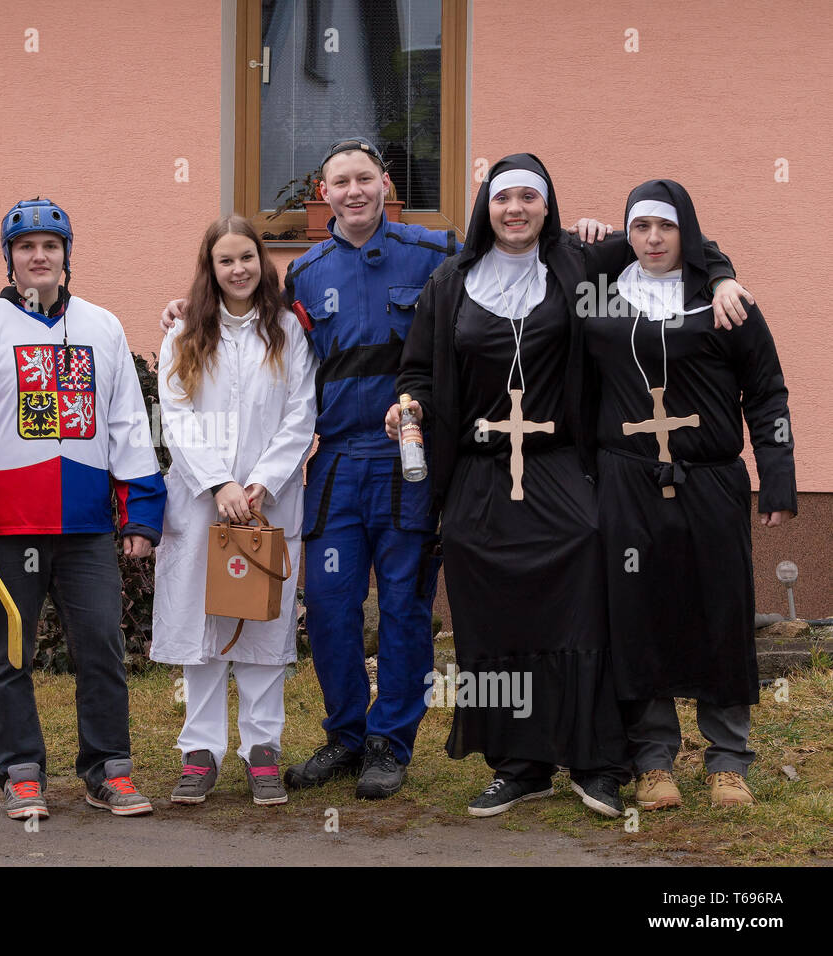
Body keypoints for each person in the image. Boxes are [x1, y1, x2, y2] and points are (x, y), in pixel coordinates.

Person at [390, 155, 745, 819]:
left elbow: (679, 240)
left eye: (530, 196)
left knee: (585, 582)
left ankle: (593, 760)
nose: (516, 209)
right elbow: (417, 370)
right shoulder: (452, 281)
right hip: (479, 471)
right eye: (504, 199)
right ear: (485, 209)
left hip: (560, 465)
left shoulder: (582, 263)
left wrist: (723, 279)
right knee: (491, 617)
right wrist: (406, 402)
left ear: (549, 207)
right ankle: (519, 765)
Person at [163, 138, 456, 800]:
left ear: (385, 182)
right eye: (339, 182)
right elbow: (262, 336)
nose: (353, 191)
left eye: (364, 178)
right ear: (322, 196)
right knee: (327, 606)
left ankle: (390, 740)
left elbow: (480, 319)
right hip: (335, 465)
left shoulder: (437, 256)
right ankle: (345, 734)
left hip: (407, 460)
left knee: (406, 606)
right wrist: (187, 308)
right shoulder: (308, 273)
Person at [0, 198, 167, 821]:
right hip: (8, 528)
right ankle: (20, 770)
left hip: (87, 525)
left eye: (51, 246)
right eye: (25, 246)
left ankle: (107, 770)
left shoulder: (103, 327)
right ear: (10, 257)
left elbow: (126, 422)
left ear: (67, 255)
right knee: (11, 652)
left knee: (101, 645)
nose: (39, 256)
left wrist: (141, 512)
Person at [584, 180, 796, 809]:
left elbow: (766, 391)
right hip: (628, 480)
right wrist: (589, 238)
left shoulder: (726, 303)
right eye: (640, 227)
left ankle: (728, 759)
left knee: (721, 612)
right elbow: (531, 262)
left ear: (689, 234)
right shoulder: (601, 297)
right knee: (638, 612)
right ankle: (653, 761)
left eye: (667, 228)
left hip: (710, 481)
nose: (652, 240)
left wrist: (777, 476)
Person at [151, 216, 316, 806]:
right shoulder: (186, 332)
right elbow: (176, 412)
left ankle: (263, 749)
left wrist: (261, 484)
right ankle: (200, 750)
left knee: (262, 617)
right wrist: (219, 481)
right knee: (204, 621)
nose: (239, 269)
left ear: (261, 260)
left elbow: (301, 412)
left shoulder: (285, 331)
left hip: (267, 501)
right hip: (201, 500)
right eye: (226, 260)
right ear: (210, 267)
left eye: (247, 257)